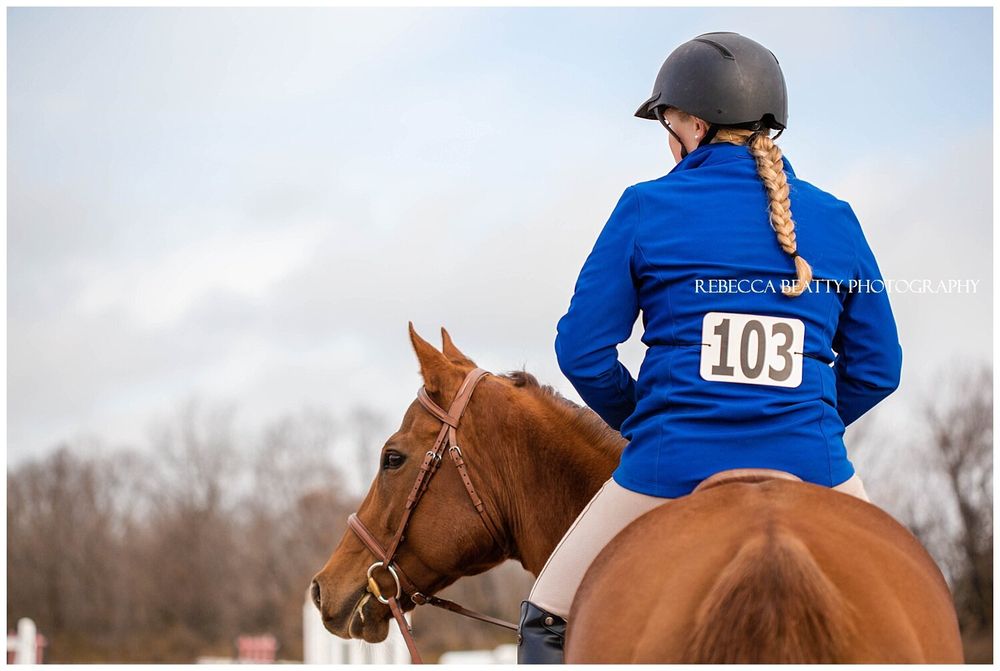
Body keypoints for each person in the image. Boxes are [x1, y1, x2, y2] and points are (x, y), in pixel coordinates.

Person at [516, 31, 903, 664]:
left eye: (666, 124)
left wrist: (648, 423)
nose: (667, 141)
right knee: (912, 592)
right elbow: (880, 368)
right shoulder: (836, 219)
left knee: (547, 616)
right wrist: (808, 422)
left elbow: (582, 349)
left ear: (695, 124)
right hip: (814, 463)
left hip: (669, 466)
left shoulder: (645, 207)